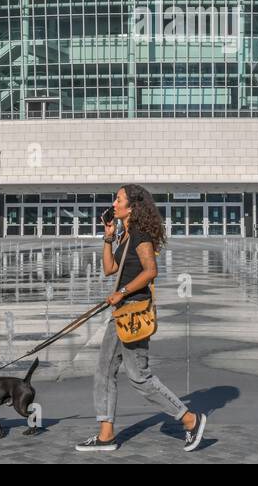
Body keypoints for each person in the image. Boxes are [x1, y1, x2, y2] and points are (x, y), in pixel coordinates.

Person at [75, 184, 208, 453]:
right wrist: (108, 237)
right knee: (104, 371)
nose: (113, 204)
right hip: (122, 310)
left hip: (133, 311)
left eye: (118, 199)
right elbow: (110, 269)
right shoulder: (125, 236)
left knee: (139, 377)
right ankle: (105, 435)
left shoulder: (141, 236)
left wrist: (122, 292)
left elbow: (151, 271)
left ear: (132, 206)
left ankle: (190, 420)